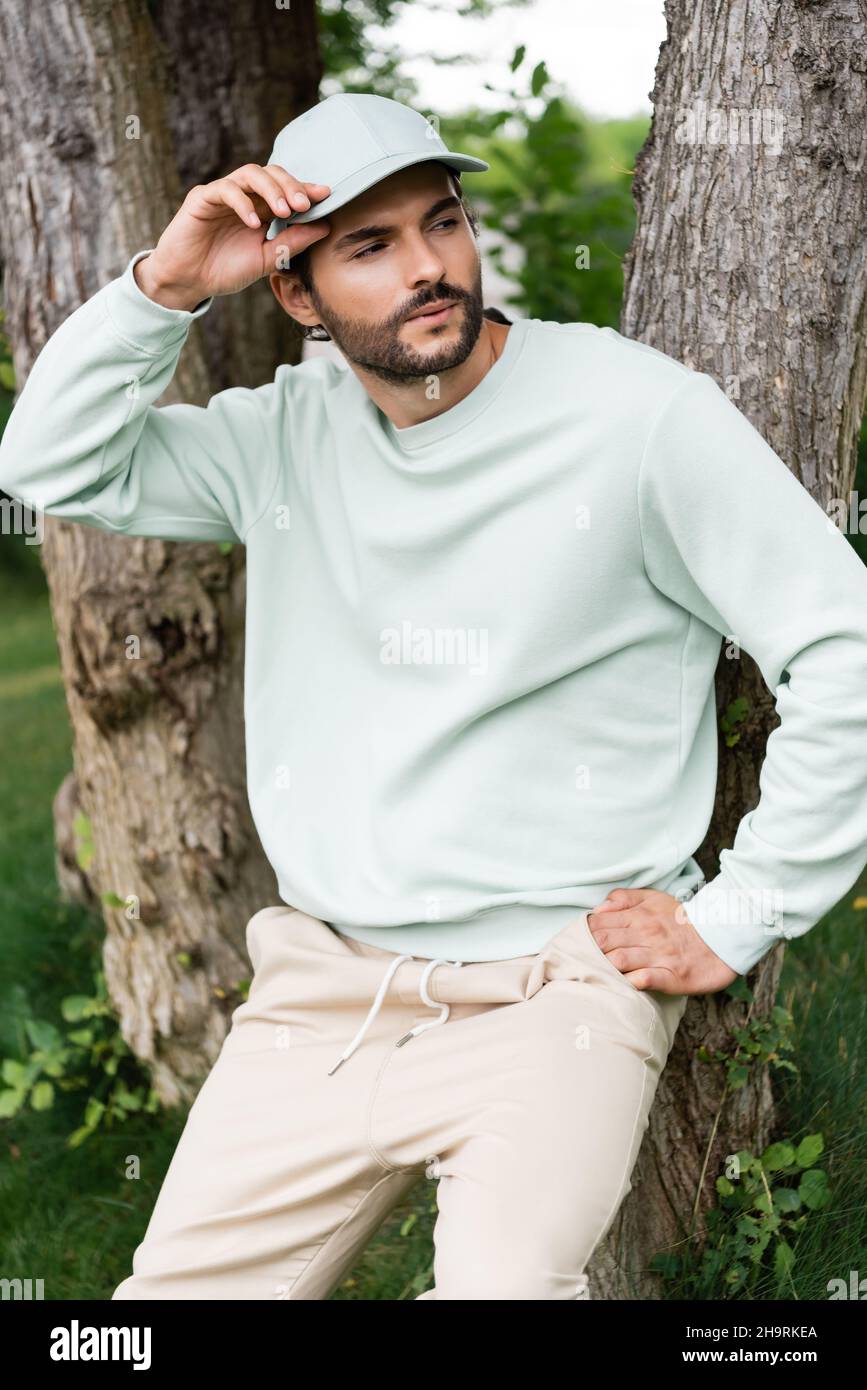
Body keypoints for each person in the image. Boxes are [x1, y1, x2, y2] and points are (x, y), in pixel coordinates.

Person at [2, 93, 867, 1301]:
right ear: (293, 293)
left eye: (441, 222)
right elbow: (51, 464)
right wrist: (168, 285)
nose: (428, 268)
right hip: (321, 991)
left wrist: (740, 913)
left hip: (554, 988)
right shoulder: (278, 441)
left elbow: (846, 642)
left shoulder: (638, 416)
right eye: (369, 245)